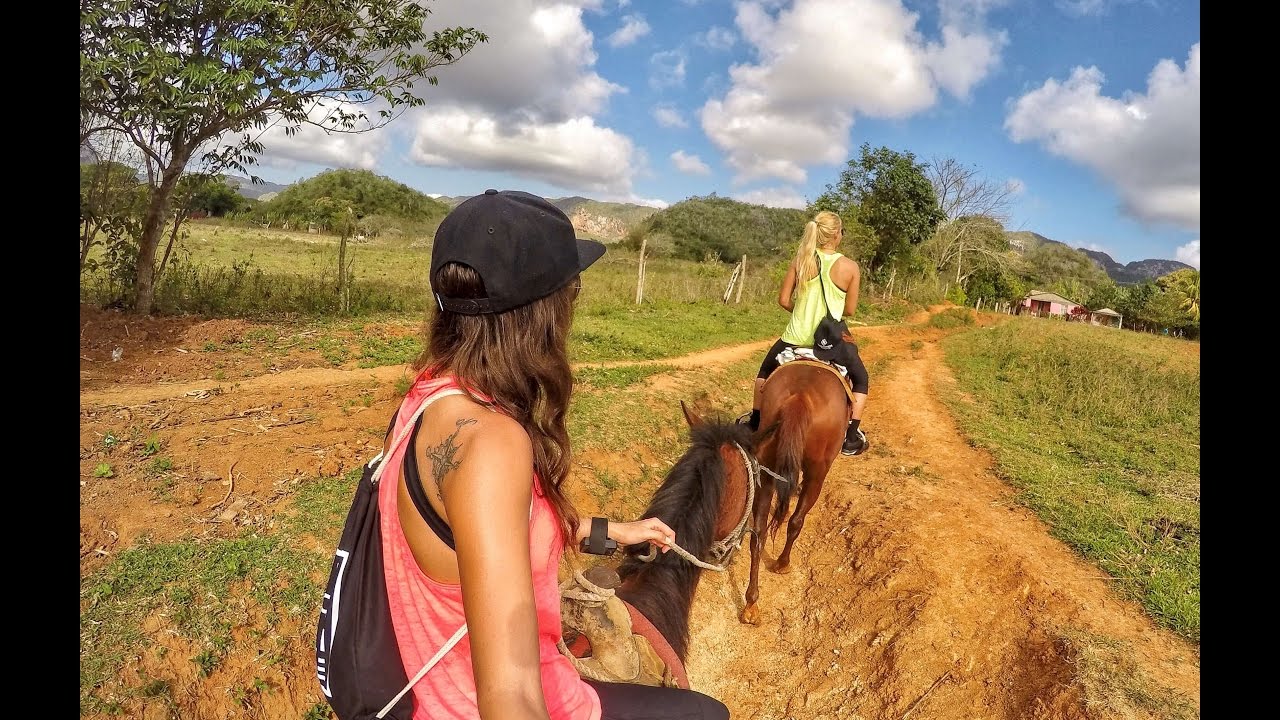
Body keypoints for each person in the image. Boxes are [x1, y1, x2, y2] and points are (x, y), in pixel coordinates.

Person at [378, 189, 731, 720]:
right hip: (483, 704)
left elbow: (485, 531)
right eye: (574, 290)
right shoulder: (492, 443)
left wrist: (615, 531)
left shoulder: (428, 397)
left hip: (440, 688)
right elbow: (512, 696)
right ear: (544, 310)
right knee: (707, 715)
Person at [742, 210, 870, 456]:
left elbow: (783, 299)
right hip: (830, 342)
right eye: (842, 231)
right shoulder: (850, 267)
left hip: (793, 338)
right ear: (836, 234)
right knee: (861, 378)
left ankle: (755, 422)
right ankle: (851, 436)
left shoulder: (801, 260)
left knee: (764, 372)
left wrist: (801, 310)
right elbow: (850, 310)